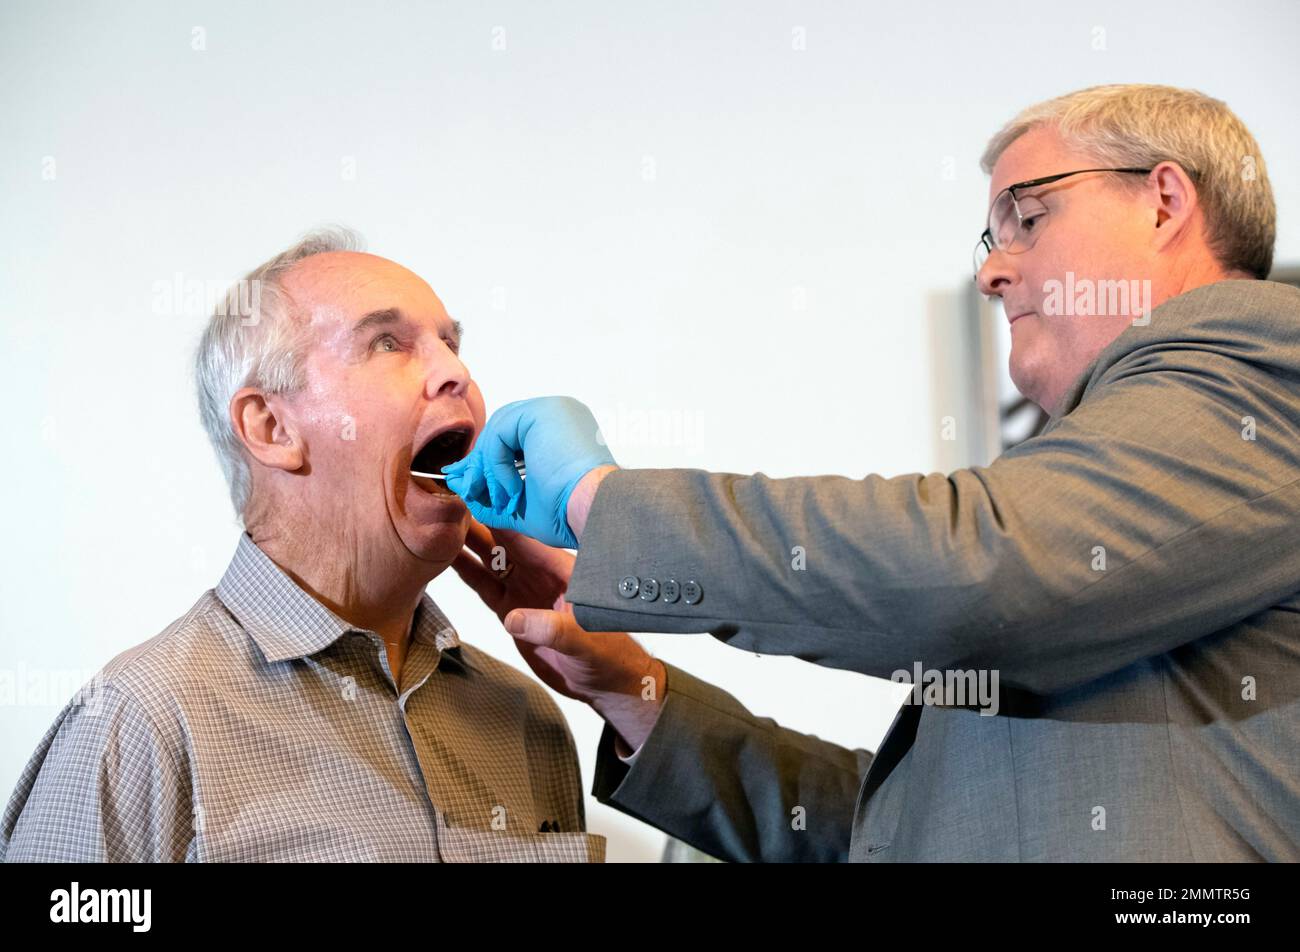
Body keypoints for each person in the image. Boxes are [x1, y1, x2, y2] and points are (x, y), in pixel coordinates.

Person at [445, 85, 1300, 861]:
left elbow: (973, 569)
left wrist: (603, 505)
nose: (992, 272)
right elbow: (893, 838)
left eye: (1026, 219)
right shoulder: (1127, 481)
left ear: (1164, 201)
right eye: (991, 238)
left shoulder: (1262, 368)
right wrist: (638, 694)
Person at [1, 230, 604, 862]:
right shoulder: (138, 724)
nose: (457, 373)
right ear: (271, 427)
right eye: (387, 343)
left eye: (451, 344)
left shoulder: (528, 718)